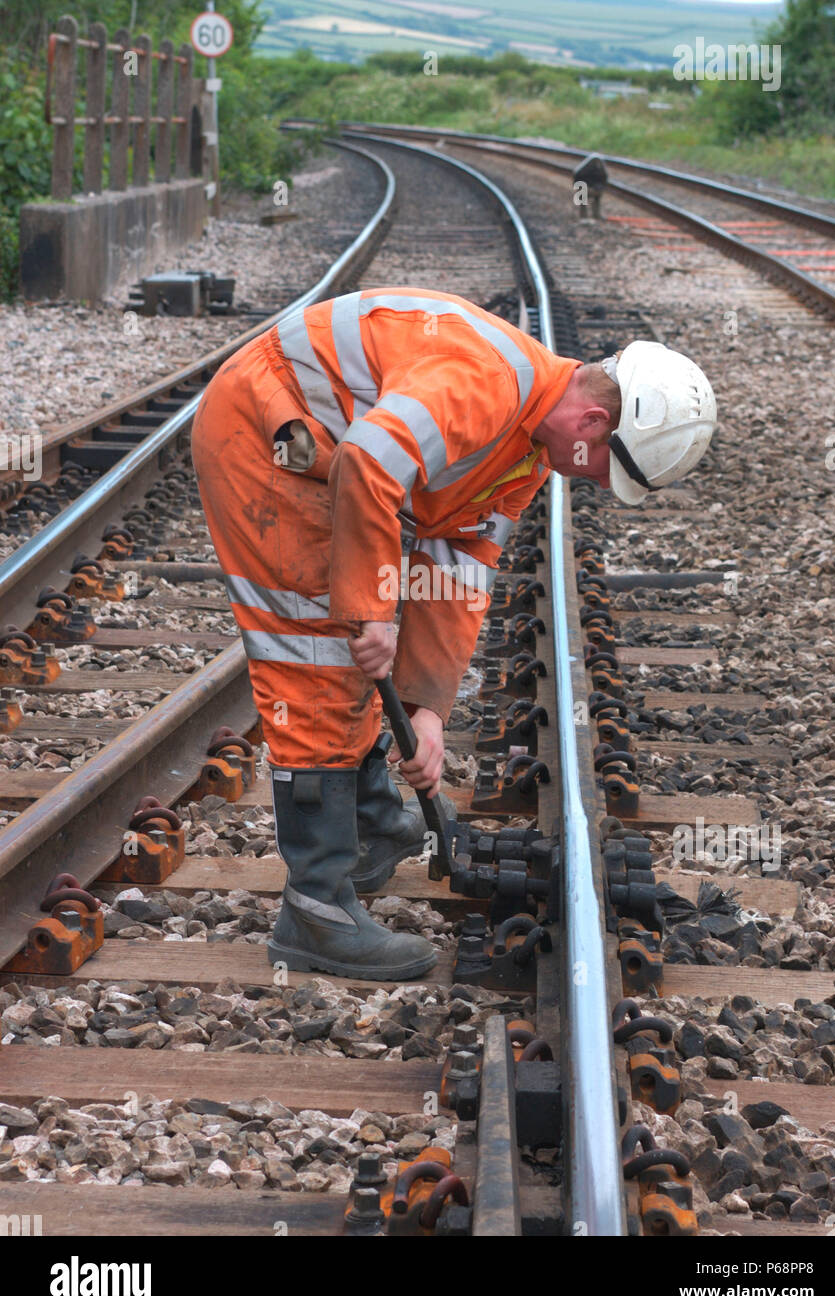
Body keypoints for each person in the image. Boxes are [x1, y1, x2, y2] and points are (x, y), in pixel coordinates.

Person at [191, 288, 716, 979]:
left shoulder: (527, 450)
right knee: (316, 658)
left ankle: (374, 825)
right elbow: (370, 463)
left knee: (353, 654)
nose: (589, 480)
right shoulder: (488, 385)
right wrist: (376, 605)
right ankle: (313, 912)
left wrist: (428, 711)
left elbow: (458, 566)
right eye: (599, 467)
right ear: (591, 418)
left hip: (325, 455)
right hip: (267, 434)